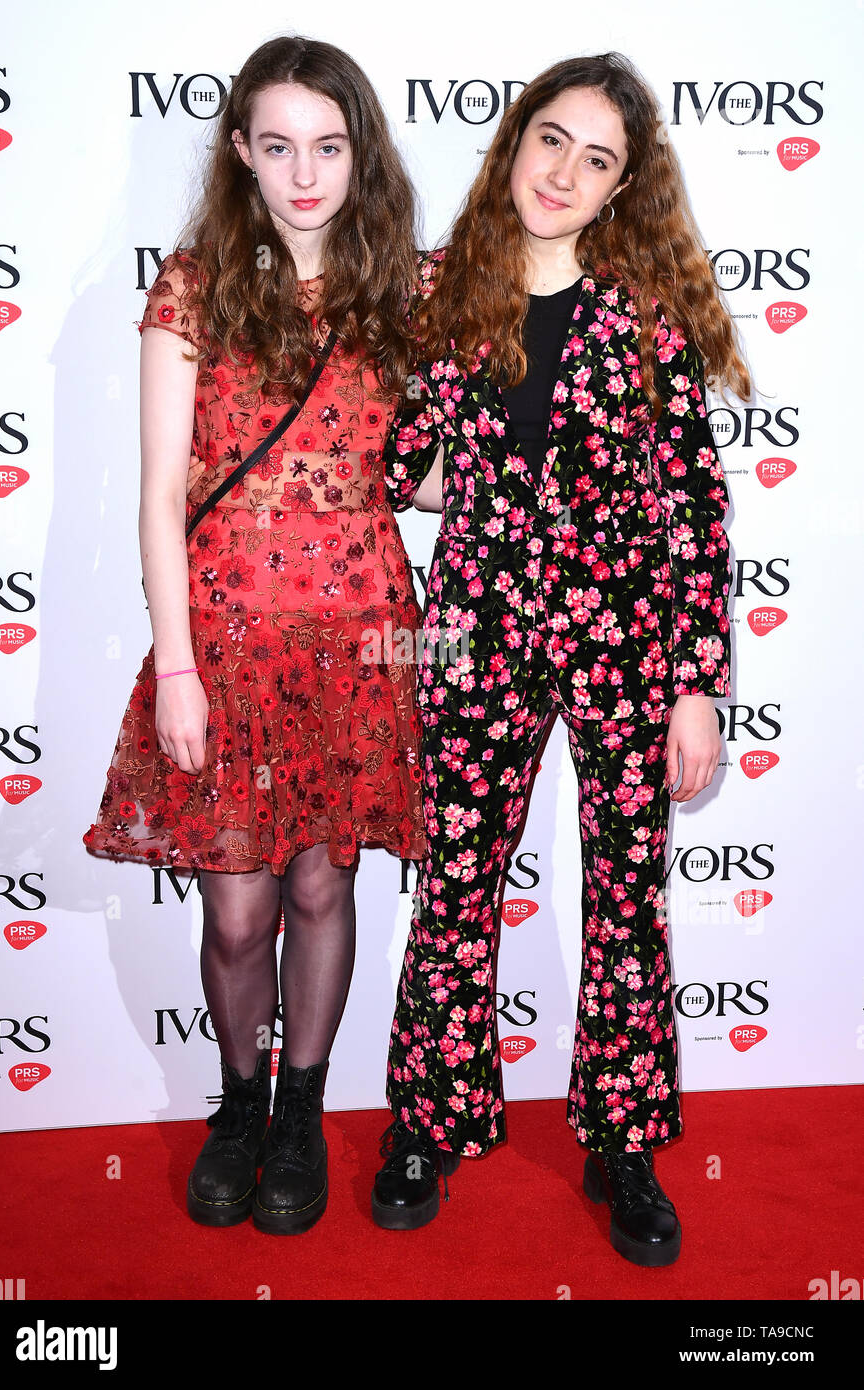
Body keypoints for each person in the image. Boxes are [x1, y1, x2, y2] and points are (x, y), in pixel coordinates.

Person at [370, 52, 751, 1265]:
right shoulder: (435, 290)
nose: (564, 172)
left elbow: (694, 501)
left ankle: (620, 1137)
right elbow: (396, 455)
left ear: (621, 186)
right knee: (458, 881)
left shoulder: (647, 311)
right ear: (513, 142)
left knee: (626, 899)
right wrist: (476, 498)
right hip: (478, 628)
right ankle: (429, 1122)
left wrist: (696, 682)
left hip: (631, 634)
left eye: (597, 159)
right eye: (551, 140)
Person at [83, 35, 426, 1235]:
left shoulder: (403, 292)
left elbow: (416, 478)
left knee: (324, 890)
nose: (304, 172)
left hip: (358, 638)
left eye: (327, 146)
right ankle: (238, 1103)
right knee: (235, 908)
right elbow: (157, 494)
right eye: (277, 145)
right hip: (224, 644)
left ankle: (301, 1113)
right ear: (240, 152)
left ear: (357, 152)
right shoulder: (194, 287)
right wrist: (174, 666)